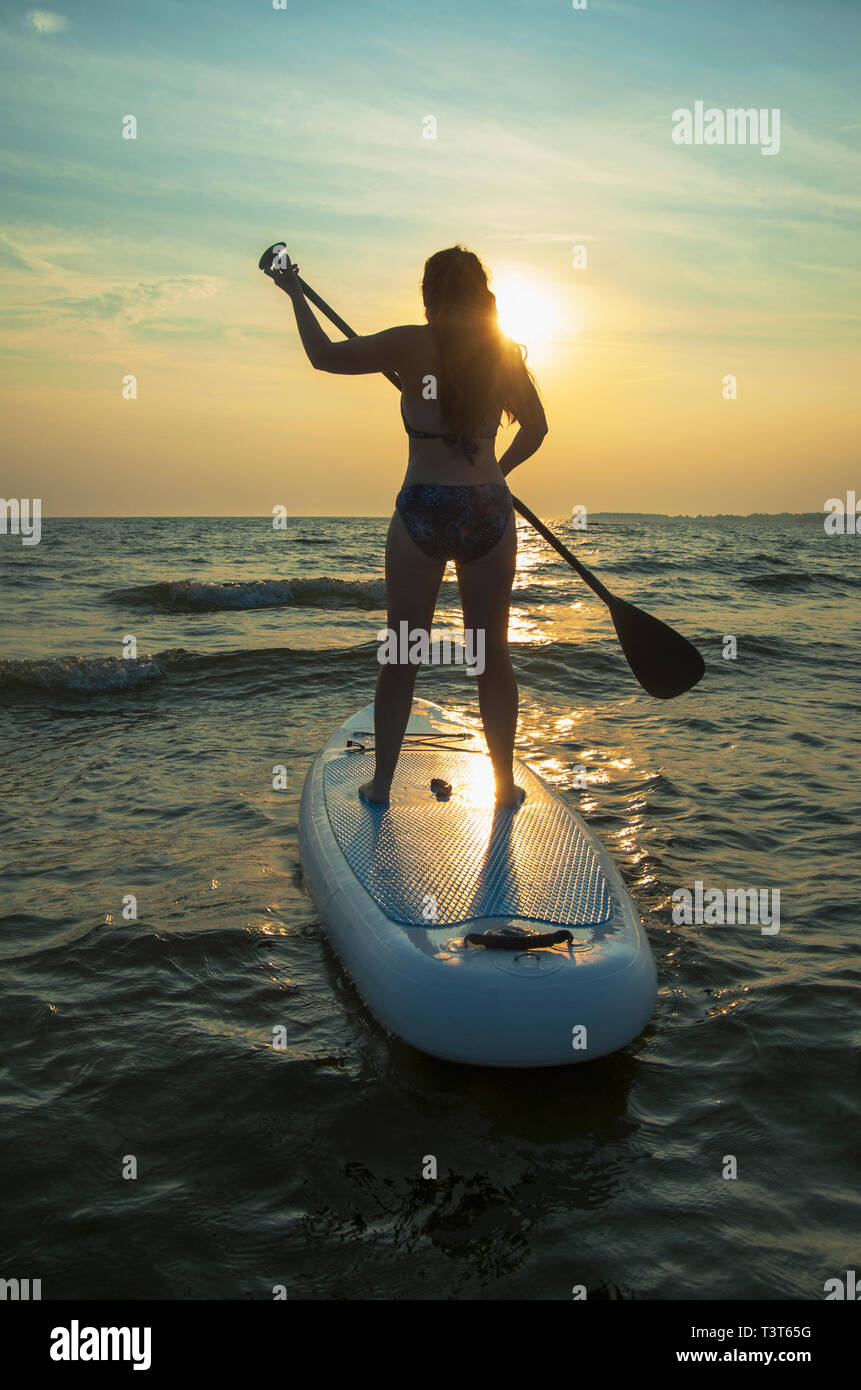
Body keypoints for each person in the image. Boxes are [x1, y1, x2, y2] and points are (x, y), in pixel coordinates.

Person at [262, 244, 548, 805]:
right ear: (480, 294)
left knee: (402, 652)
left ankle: (382, 786)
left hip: (423, 507)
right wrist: (494, 472)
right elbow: (536, 429)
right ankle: (505, 786)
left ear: (431, 294)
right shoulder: (501, 354)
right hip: (488, 510)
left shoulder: (411, 343)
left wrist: (296, 293)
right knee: (490, 655)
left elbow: (323, 355)